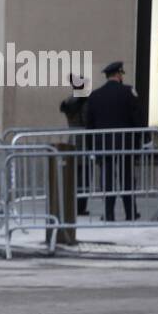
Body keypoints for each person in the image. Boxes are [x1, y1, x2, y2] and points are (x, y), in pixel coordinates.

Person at [84, 60, 139, 222]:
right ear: (118, 74)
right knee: (127, 180)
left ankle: (109, 214)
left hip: (104, 146)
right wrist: (143, 140)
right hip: (125, 145)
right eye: (121, 74)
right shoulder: (129, 92)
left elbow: (90, 124)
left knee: (107, 181)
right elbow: (137, 118)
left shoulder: (95, 95)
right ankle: (130, 214)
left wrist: (90, 148)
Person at [59, 73, 90, 214]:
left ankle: (71, 206)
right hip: (84, 142)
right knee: (84, 178)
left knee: (73, 176)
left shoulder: (68, 102)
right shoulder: (85, 103)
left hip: (72, 140)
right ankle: (80, 207)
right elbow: (88, 122)